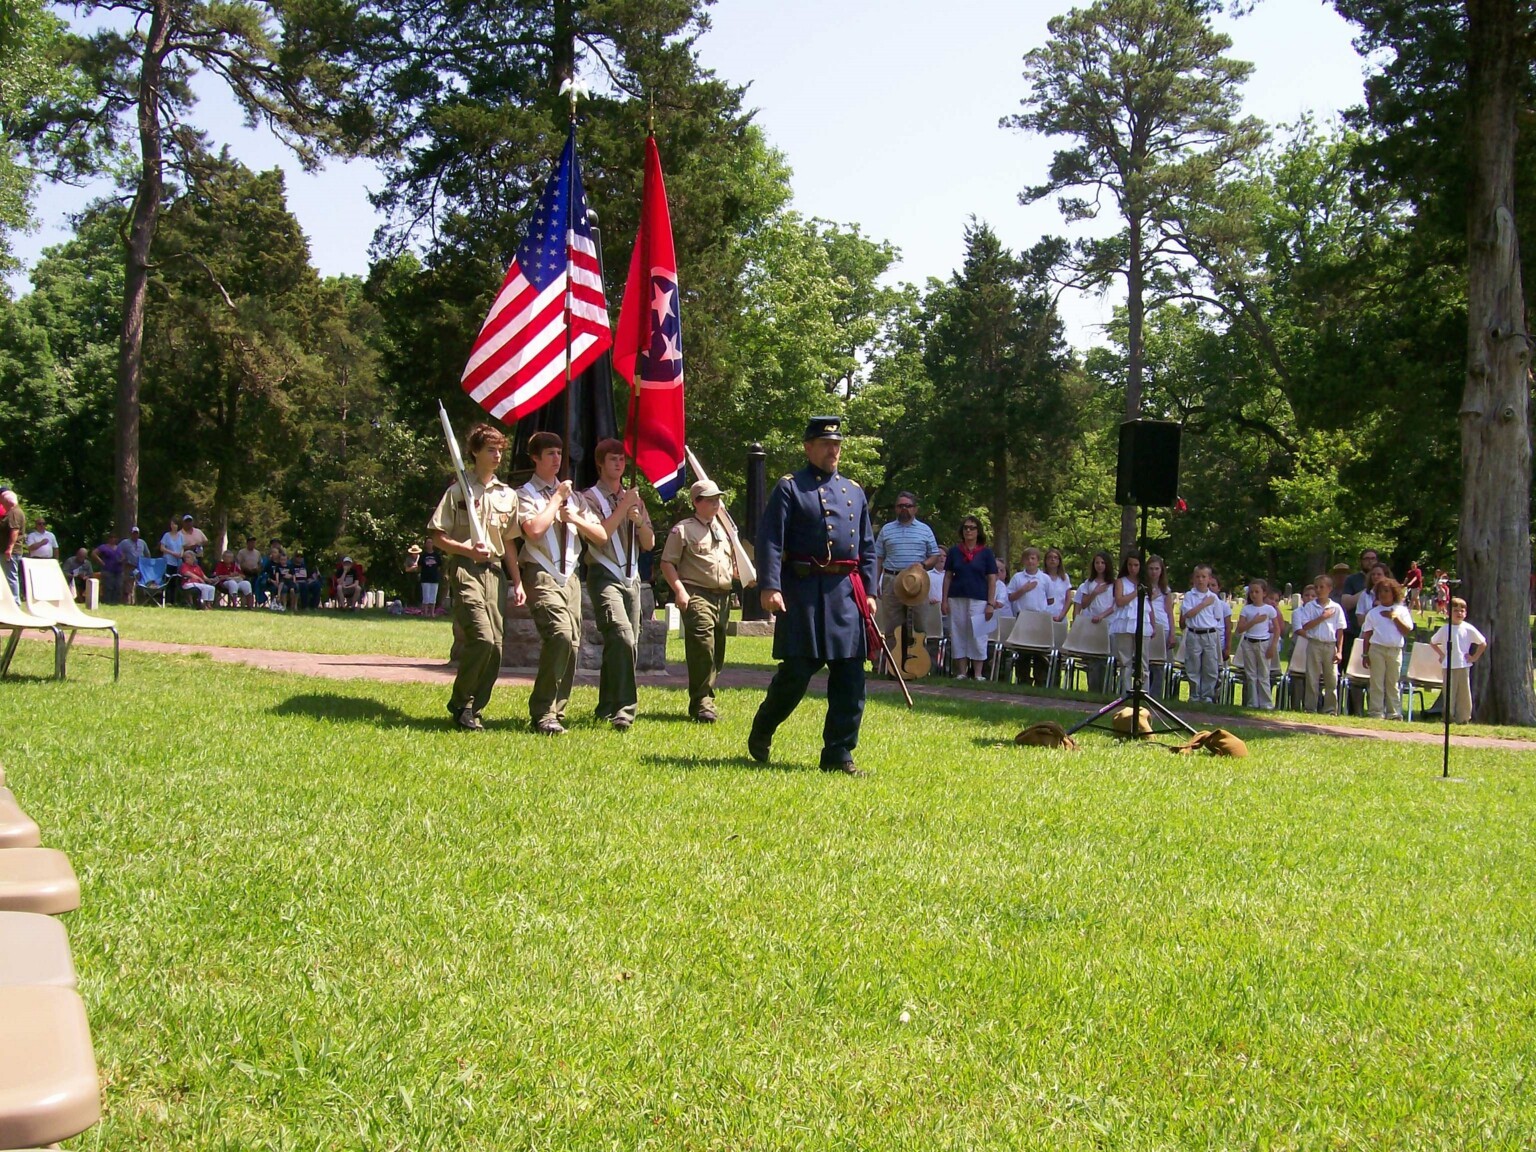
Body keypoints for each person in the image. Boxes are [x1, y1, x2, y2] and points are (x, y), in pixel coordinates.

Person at [749, 415, 877, 774]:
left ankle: (838, 753)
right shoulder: (790, 487)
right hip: (802, 591)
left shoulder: (854, 491)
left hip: (845, 595)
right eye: (825, 444)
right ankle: (764, 726)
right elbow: (771, 539)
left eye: (837, 444)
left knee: (851, 676)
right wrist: (770, 586)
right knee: (797, 673)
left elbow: (867, 547)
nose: (833, 450)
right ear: (808, 448)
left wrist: (870, 591)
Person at [429, 422, 527, 731]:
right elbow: (436, 536)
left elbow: (509, 542)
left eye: (500, 450)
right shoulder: (459, 490)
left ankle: (472, 707)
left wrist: (518, 581)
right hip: (465, 568)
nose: (497, 455)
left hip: (495, 574)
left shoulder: (507, 496)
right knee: (482, 638)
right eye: (490, 449)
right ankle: (461, 700)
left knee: (496, 646)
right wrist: (467, 550)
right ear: (474, 452)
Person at [516, 431, 607, 735]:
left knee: (573, 643)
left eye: (559, 454)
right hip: (541, 572)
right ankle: (542, 711)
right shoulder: (525, 494)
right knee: (560, 635)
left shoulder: (574, 497)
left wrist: (575, 518)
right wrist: (555, 500)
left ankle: (557, 709)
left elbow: (600, 535)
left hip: (570, 577)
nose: (557, 460)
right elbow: (534, 530)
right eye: (550, 454)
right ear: (535, 459)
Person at [582, 439, 657, 730]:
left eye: (622, 460)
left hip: (632, 576)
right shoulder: (588, 498)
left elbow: (649, 544)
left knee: (626, 644)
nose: (618, 464)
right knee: (622, 635)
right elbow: (600, 535)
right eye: (613, 459)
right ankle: (625, 710)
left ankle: (606, 705)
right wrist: (622, 507)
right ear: (600, 463)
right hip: (604, 573)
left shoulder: (634, 498)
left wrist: (638, 521)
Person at [660, 479, 738, 723]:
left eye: (718, 498)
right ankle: (702, 701)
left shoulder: (725, 530)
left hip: (723, 597)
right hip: (697, 593)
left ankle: (705, 697)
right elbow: (667, 563)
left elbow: (730, 562)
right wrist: (679, 590)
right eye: (710, 499)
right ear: (696, 502)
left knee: (718, 648)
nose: (716, 503)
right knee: (702, 645)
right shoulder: (683, 530)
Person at [874, 491, 942, 654]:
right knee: (892, 626)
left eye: (908, 506)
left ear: (915, 509)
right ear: (896, 509)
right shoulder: (886, 529)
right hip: (892, 579)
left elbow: (934, 555)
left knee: (918, 626)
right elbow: (878, 558)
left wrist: (923, 565)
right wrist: (875, 582)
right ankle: (894, 667)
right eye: (900, 506)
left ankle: (916, 665)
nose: (904, 509)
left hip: (916, 581)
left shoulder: (925, 530)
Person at [942, 516, 996, 681]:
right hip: (957, 597)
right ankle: (962, 672)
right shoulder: (954, 551)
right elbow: (948, 576)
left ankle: (978, 673)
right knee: (958, 632)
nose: (968, 531)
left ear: (978, 531)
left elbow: (992, 579)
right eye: (966, 528)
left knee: (978, 634)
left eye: (972, 528)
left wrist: (990, 603)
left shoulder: (986, 553)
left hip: (979, 598)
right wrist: (944, 600)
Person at [1359, 578, 1412, 719]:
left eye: (1386, 591)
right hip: (1377, 649)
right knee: (1376, 682)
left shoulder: (1402, 610)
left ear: (1394, 593)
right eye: (1380, 591)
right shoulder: (1373, 613)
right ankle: (1376, 711)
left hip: (1395, 650)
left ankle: (1393, 712)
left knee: (1392, 682)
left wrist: (1394, 617)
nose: (1383, 594)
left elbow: (1406, 630)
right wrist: (1365, 654)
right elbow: (1367, 634)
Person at [1429, 597, 1488, 724]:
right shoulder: (1445, 629)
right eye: (1455, 610)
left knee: (1464, 694)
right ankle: (1448, 717)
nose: (1459, 613)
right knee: (1449, 692)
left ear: (1465, 613)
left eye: (1462, 611)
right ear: (1449, 613)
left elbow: (1482, 643)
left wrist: (1474, 657)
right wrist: (1442, 654)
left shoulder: (1468, 628)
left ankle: (1464, 718)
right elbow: (1433, 642)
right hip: (1448, 666)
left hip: (1463, 664)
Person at [1293, 574, 1344, 713]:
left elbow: (1340, 630)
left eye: (1322, 587)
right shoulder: (1310, 606)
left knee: (1331, 678)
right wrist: (1322, 617)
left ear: (1329, 588)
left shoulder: (1336, 607)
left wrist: (1339, 651)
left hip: (1330, 644)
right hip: (1314, 643)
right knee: (1312, 677)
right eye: (1316, 587)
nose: (1319, 590)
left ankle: (1331, 709)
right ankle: (1310, 707)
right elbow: (1306, 626)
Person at [1107, 553, 1154, 696]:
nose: (1133, 568)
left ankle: (1143, 692)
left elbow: (1149, 605)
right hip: (1125, 622)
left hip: (1142, 621)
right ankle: (1126, 692)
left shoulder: (1146, 583)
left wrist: (1153, 623)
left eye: (1136, 565)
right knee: (1125, 660)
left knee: (1143, 662)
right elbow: (1120, 601)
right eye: (1130, 565)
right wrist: (1136, 592)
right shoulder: (1121, 582)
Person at [1180, 564, 1225, 704]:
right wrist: (1204, 604)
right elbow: (1188, 614)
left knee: (1210, 666)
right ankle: (1194, 695)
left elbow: (1217, 617)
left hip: (1209, 633)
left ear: (1209, 578)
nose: (1200, 580)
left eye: (1204, 577)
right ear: (1193, 578)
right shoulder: (1189, 595)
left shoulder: (1214, 598)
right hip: (1194, 633)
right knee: (1193, 665)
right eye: (1198, 577)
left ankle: (1207, 695)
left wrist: (1208, 605)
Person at [1233, 578, 1280, 709]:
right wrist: (1254, 621)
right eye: (1252, 592)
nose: (1254, 594)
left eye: (1257, 592)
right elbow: (1240, 629)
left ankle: (1266, 703)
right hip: (1248, 643)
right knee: (1251, 674)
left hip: (1263, 643)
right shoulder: (1246, 609)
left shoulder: (1269, 609)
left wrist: (1273, 646)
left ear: (1264, 593)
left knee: (1264, 674)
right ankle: (1252, 702)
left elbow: (1277, 629)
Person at [1006, 546, 1050, 685]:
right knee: (1023, 651)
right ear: (1023, 561)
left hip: (1039, 617)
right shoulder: (1018, 577)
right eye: (1028, 559)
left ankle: (1040, 679)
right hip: (1023, 616)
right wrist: (1024, 590)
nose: (1030, 561)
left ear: (1038, 561)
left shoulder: (1045, 578)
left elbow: (1050, 598)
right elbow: (1011, 597)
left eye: (1033, 558)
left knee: (1039, 652)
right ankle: (1023, 679)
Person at [1144, 554, 1174, 696]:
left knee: (1159, 664)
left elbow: (1169, 613)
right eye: (1151, 568)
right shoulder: (1142, 587)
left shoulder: (1165, 590)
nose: (1153, 572)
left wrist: (1173, 633)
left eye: (1156, 569)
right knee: (1146, 662)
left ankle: (1156, 695)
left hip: (1163, 627)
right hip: (1146, 625)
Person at [0, 488, 22, 600]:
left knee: (10, 577)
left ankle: (14, 602)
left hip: (11, 552)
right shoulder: (12, 512)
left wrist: (9, 548)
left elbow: (15, 531)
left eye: (2, 500)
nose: (1, 503)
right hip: (8, 551)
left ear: (8, 501)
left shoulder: (14, 513)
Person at [117, 525, 148, 604]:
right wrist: (122, 558)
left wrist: (146, 564)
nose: (135, 535)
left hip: (140, 567)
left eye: (137, 533)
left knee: (140, 586)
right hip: (129, 566)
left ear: (139, 534)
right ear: (131, 534)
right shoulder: (125, 542)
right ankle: (127, 603)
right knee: (128, 586)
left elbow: (147, 554)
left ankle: (140, 602)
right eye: (134, 533)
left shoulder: (142, 543)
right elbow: (117, 551)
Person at [93, 533, 124, 605]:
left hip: (118, 570)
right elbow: (94, 553)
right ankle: (107, 602)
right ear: (108, 539)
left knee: (118, 586)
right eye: (111, 537)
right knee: (108, 586)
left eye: (115, 537)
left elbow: (123, 556)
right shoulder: (104, 547)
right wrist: (101, 562)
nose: (113, 539)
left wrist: (121, 560)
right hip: (107, 570)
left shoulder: (118, 548)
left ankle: (116, 602)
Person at [160, 516, 187, 599]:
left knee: (175, 581)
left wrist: (181, 554)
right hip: (168, 561)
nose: (173, 526)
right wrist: (172, 553)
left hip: (177, 562)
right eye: (172, 524)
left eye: (175, 524)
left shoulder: (181, 536)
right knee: (167, 580)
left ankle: (173, 600)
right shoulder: (166, 535)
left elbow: (182, 548)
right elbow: (162, 548)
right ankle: (165, 599)